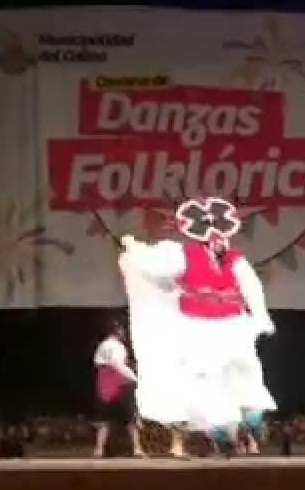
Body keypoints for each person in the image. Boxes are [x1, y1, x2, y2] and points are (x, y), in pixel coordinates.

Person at [119, 196, 275, 458]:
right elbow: (252, 288)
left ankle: (240, 425)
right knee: (216, 381)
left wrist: (133, 248)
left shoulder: (196, 255)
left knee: (224, 379)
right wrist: (260, 316)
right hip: (212, 328)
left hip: (214, 328)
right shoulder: (200, 256)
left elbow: (252, 287)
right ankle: (234, 428)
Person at [92, 318, 145, 458]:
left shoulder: (102, 345)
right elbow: (118, 365)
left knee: (105, 420)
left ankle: (99, 449)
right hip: (118, 384)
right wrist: (134, 378)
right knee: (130, 419)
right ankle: (137, 449)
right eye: (121, 330)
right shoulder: (116, 346)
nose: (123, 332)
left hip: (104, 384)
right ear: (117, 331)